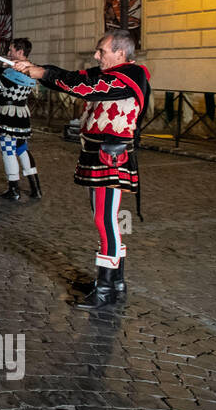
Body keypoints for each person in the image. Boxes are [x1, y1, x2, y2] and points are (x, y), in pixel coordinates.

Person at [13, 28, 151, 310]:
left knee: (106, 221)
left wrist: (42, 74)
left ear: (120, 53)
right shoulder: (113, 74)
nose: (96, 55)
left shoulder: (129, 76)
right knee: (104, 219)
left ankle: (105, 290)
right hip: (98, 155)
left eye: (102, 51)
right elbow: (77, 78)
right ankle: (115, 283)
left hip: (112, 159)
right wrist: (36, 69)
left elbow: (87, 88)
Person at [0, 38, 42, 201]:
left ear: (20, 52)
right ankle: (35, 188)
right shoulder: (31, 69)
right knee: (22, 149)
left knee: (8, 151)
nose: (8, 54)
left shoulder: (14, 73)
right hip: (22, 113)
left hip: (9, 114)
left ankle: (14, 189)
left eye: (11, 51)